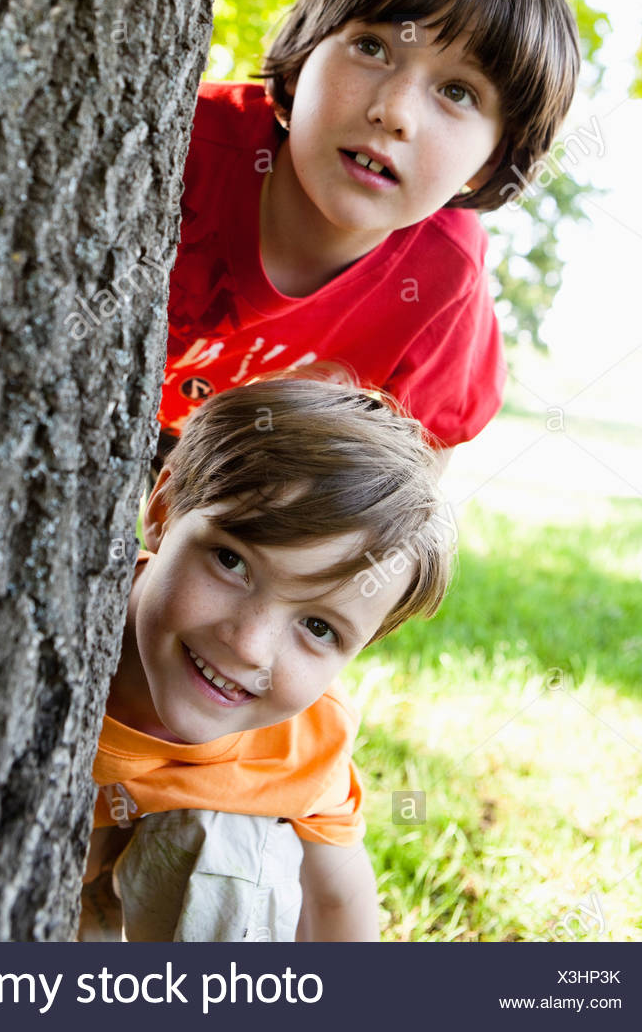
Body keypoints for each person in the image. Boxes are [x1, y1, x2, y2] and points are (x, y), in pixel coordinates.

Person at [156, 0, 579, 466]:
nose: (394, 111)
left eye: (457, 91)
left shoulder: (445, 272)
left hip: (245, 477)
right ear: (300, 62)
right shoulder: (182, 145)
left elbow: (410, 484)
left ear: (492, 160)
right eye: (372, 48)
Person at [80, 376, 452, 942]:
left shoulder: (306, 737)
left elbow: (338, 898)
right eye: (231, 562)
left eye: (319, 627)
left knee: (232, 844)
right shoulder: (61, 626)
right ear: (161, 510)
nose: (249, 646)